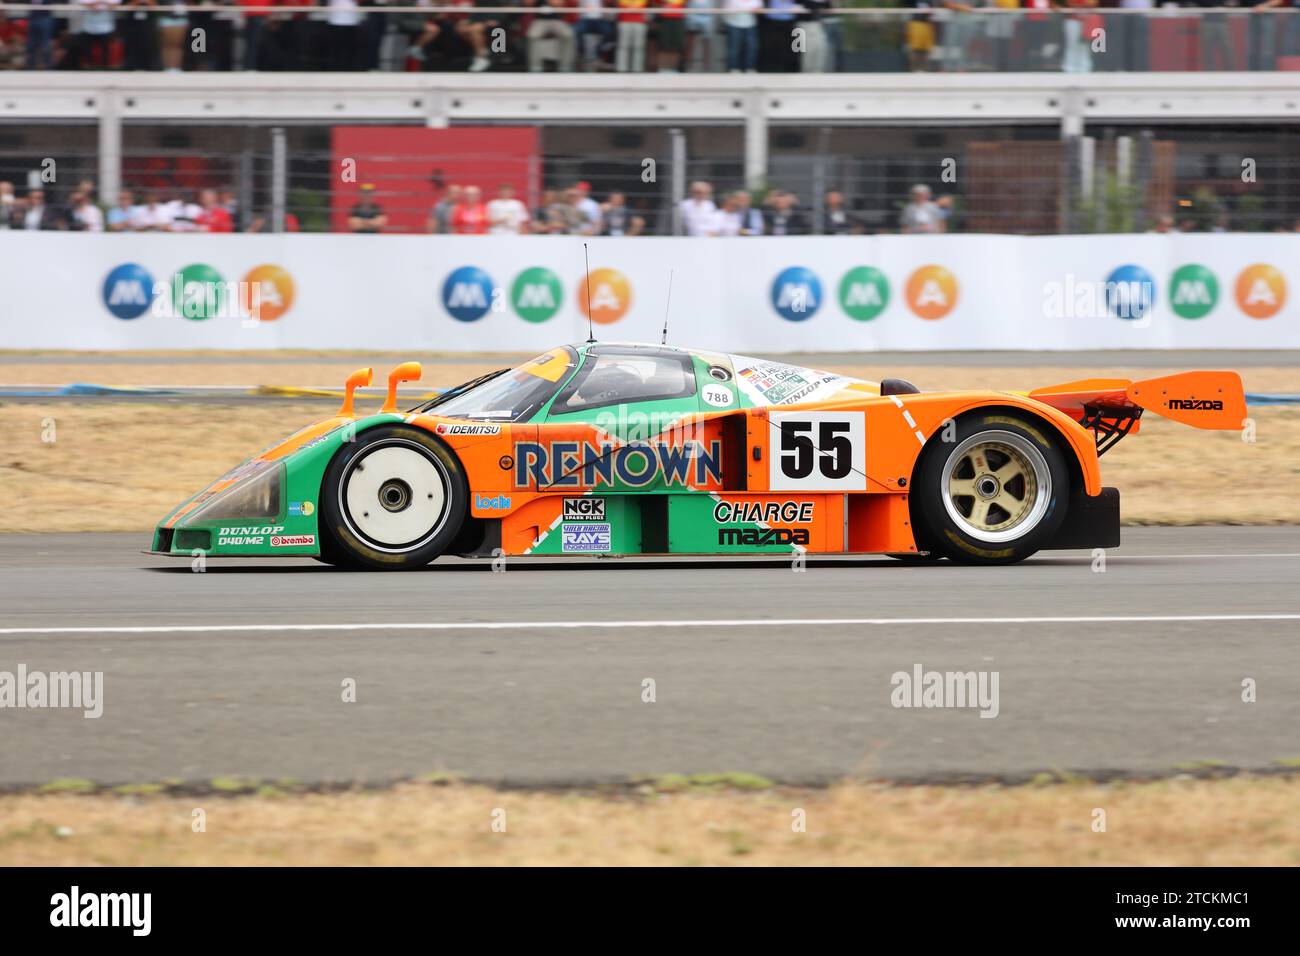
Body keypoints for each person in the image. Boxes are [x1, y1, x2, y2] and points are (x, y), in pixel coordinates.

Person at [527, 0, 578, 72]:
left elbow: (558, 4)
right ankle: (535, 68)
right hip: (539, 20)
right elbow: (528, 3)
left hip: (556, 20)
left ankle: (565, 67)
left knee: (568, 35)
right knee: (532, 35)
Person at [723, 0, 759, 72]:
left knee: (751, 48)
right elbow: (726, 9)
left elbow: (758, 8)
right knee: (734, 49)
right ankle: (733, 68)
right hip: (734, 25)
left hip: (750, 25)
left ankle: (750, 68)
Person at [616, 0, 649, 71]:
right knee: (623, 46)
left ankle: (637, 70)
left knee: (639, 47)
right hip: (624, 21)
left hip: (640, 21)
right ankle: (621, 70)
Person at [654, 0, 686, 72]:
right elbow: (655, 2)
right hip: (665, 17)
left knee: (676, 46)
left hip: (679, 17)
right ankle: (662, 69)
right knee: (663, 45)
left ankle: (673, 69)